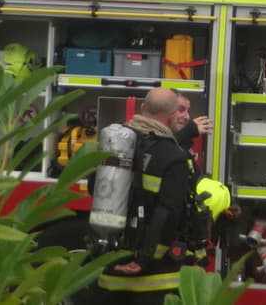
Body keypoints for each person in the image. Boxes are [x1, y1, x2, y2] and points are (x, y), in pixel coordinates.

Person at [81, 87, 195, 304]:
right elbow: (169, 213)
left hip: (111, 263)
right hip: (153, 279)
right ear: (171, 118)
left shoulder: (116, 144)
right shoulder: (174, 157)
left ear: (143, 108)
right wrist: (144, 259)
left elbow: (95, 187)